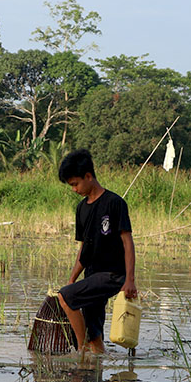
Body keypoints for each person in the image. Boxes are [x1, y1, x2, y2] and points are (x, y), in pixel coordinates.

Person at [57, 149, 137, 354]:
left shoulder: (114, 203)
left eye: (75, 184)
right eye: (70, 186)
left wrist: (129, 279)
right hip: (92, 275)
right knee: (95, 333)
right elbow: (84, 249)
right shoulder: (81, 209)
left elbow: (127, 242)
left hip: (113, 275)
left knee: (66, 297)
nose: (74, 189)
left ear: (89, 176)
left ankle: (81, 351)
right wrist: (72, 279)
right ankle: (95, 364)